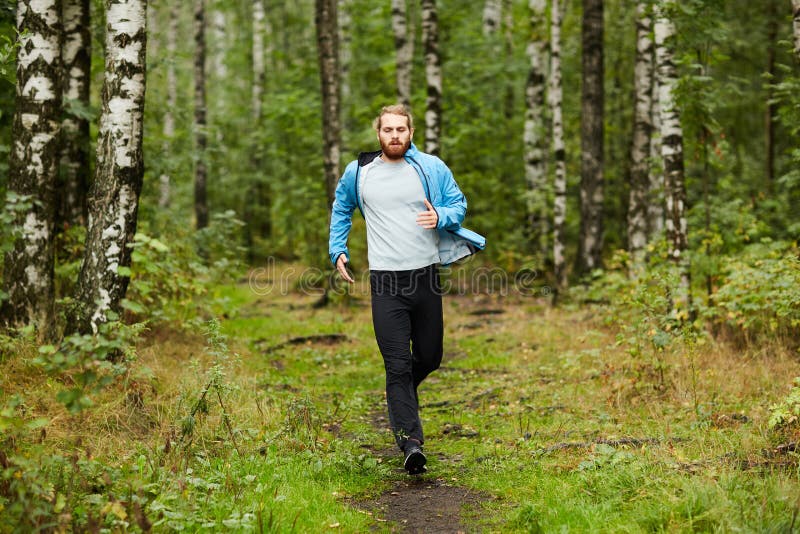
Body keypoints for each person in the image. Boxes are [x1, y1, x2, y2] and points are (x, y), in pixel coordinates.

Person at [328, 104, 485, 475]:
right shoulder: (359, 173)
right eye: (388, 130)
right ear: (378, 133)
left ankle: (399, 394)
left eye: (401, 129)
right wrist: (338, 248)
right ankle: (411, 443)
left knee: (430, 356)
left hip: (424, 276)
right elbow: (341, 208)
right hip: (385, 281)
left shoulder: (430, 167)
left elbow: (458, 204)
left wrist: (441, 216)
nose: (394, 135)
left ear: (411, 133)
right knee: (397, 364)